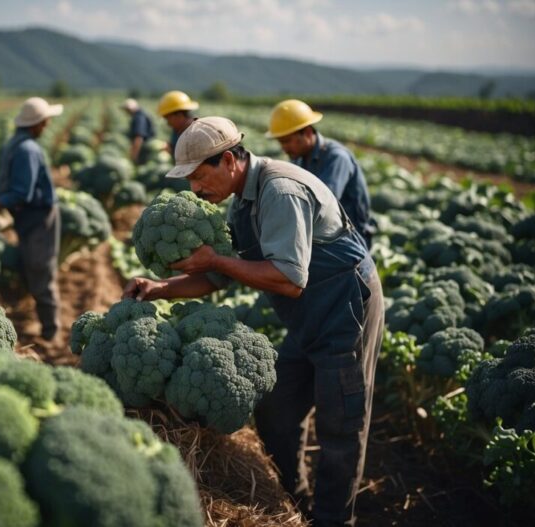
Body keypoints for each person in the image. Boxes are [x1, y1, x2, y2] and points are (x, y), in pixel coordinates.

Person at [123, 116, 384, 527]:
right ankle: (295, 503)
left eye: (198, 176)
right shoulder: (244, 200)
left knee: (340, 426)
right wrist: (159, 288)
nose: (194, 189)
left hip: (344, 308)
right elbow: (220, 274)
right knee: (277, 409)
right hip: (309, 318)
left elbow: (289, 279)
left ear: (228, 160)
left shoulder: (279, 190)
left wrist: (215, 259)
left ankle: (334, 520)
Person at [0, 97, 63, 341]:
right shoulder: (26, 148)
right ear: (35, 123)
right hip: (32, 217)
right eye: (45, 121)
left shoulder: (18, 144)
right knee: (35, 267)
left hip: (40, 217)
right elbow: (21, 192)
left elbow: (20, 193)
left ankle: (50, 332)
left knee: (41, 269)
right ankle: (49, 327)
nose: (47, 125)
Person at [266, 99, 374, 248]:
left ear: (308, 132)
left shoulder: (336, 158)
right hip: (325, 235)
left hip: (352, 240)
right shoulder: (300, 159)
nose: (284, 148)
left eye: (287, 141)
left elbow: (323, 205)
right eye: (280, 142)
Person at [156, 90, 198, 157]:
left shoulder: (196, 133)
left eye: (167, 118)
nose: (168, 123)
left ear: (179, 115)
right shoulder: (178, 129)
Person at [121, 98, 155, 164]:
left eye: (126, 110)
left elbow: (138, 138)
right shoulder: (141, 115)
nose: (126, 112)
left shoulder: (139, 118)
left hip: (144, 152)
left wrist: (133, 156)